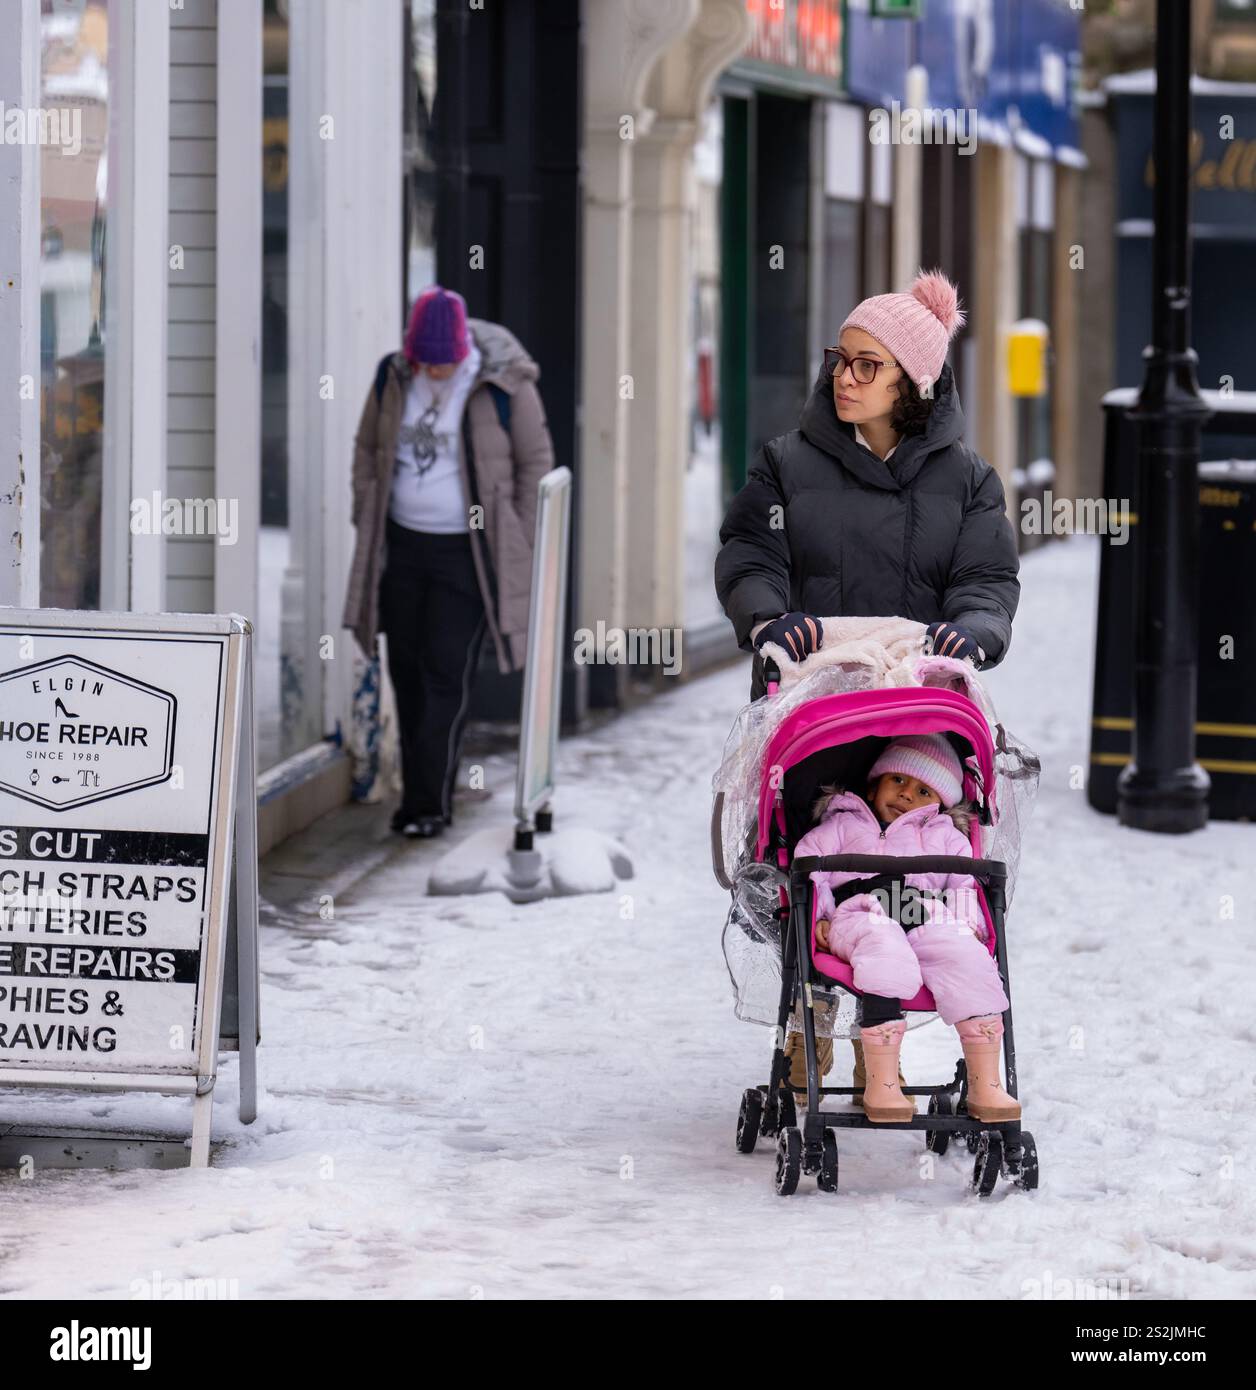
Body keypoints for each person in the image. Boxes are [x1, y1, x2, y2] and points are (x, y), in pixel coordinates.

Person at [714, 267, 1020, 1100]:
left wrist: (976, 632)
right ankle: (807, 1023)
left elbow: (986, 578)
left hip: (912, 716)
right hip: (813, 705)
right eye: (839, 359)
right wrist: (768, 617)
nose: (842, 378)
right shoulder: (784, 465)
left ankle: (895, 1025)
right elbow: (749, 553)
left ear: (914, 386)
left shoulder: (969, 481)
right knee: (808, 867)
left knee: (916, 875)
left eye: (866, 365)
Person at [342, 286, 555, 838]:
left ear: (463, 351)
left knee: (443, 671)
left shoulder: (504, 385)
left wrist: (518, 536)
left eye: (445, 363)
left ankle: (427, 805)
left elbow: (536, 463)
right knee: (405, 671)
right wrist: (367, 505)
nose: (435, 373)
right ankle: (423, 791)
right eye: (426, 363)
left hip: (468, 553)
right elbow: (367, 448)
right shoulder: (393, 376)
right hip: (401, 545)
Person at [793, 735, 1019, 1124]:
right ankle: (881, 1083)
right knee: (886, 952)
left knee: (968, 959)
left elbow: (964, 884)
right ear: (874, 782)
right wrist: (819, 918)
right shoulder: (843, 823)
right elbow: (809, 872)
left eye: (922, 790)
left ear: (940, 803)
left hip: (920, 909)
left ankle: (987, 1085)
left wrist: (967, 924)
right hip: (858, 909)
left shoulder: (945, 835)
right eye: (897, 780)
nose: (906, 795)